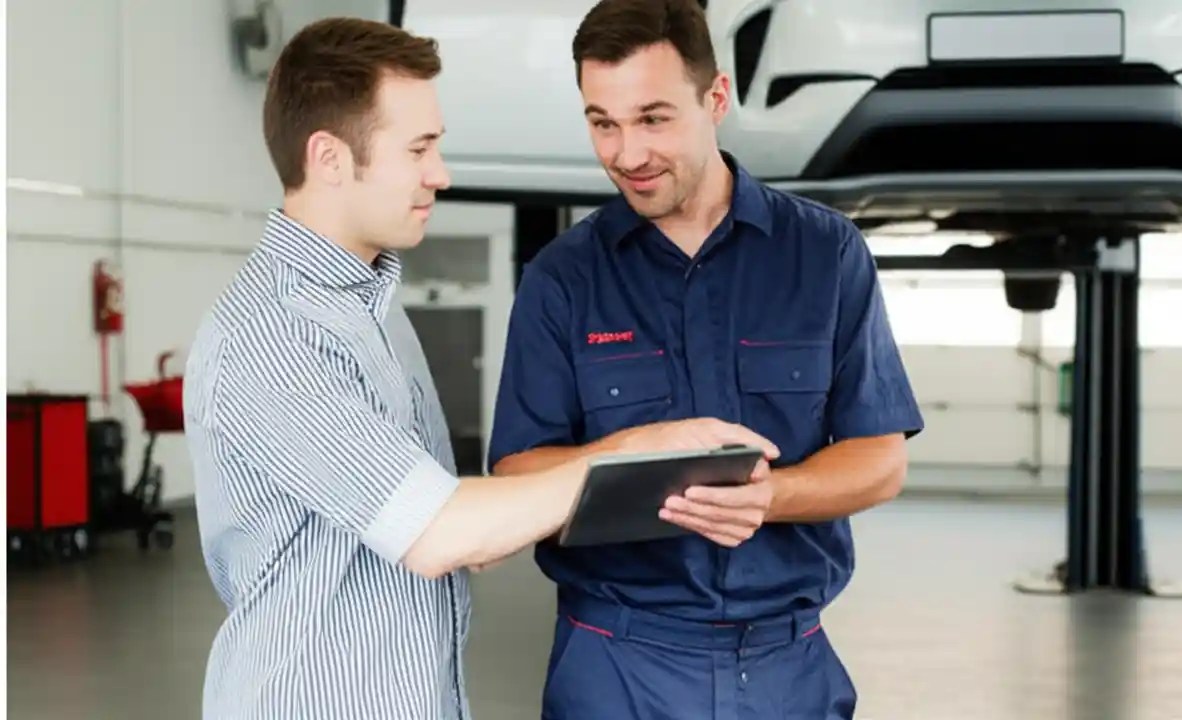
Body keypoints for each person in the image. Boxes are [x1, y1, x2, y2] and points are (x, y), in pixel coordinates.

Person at [184, 16, 780, 719]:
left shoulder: (370, 309)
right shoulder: (275, 335)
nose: (441, 173)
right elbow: (442, 534)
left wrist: (555, 485)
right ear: (330, 157)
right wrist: (638, 453)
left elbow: (448, 518)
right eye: (419, 149)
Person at [487, 0, 926, 717]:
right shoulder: (562, 278)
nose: (626, 154)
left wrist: (768, 498)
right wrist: (632, 448)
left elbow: (880, 457)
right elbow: (516, 471)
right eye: (603, 122)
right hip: (615, 664)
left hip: (787, 667)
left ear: (716, 98)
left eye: (653, 119)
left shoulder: (823, 255)